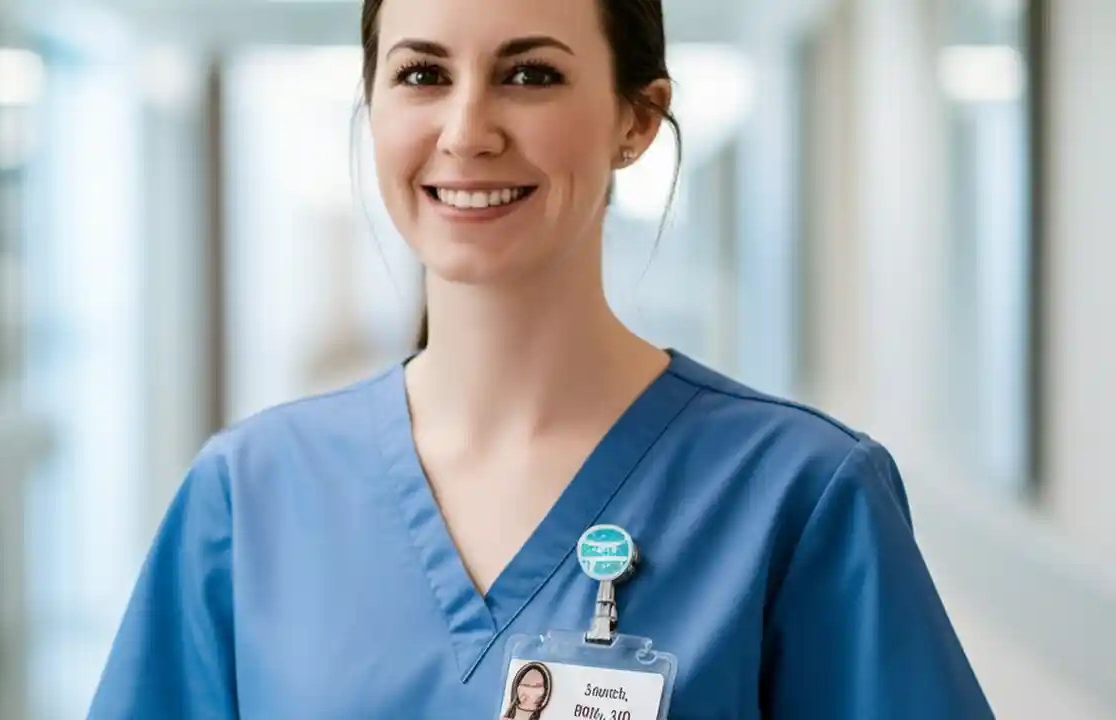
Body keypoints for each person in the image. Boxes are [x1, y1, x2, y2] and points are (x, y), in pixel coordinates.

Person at [89, 0, 995, 717]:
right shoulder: (251, 495)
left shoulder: (795, 495)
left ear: (636, 120)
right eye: (421, 74)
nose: (467, 129)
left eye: (529, 73)